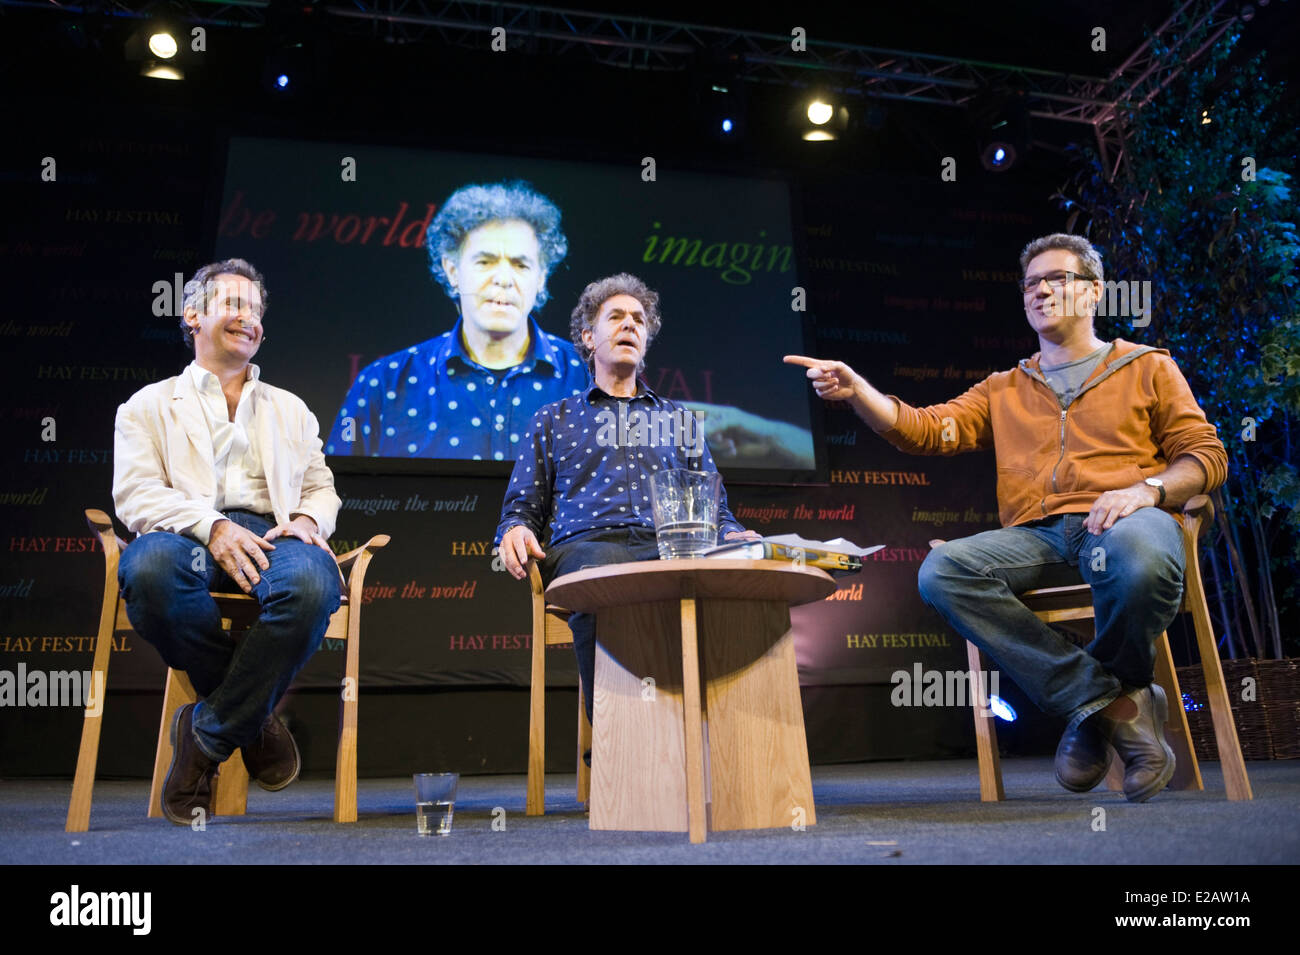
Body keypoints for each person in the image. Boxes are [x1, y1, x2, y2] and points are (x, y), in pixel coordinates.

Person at [787, 233, 1228, 803]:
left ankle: (1096, 712)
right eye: (1031, 283)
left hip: (1124, 519)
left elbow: (1206, 455)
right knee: (942, 571)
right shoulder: (1005, 388)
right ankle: (1112, 703)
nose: (1041, 290)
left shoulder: (1146, 368)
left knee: (1136, 557)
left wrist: (1147, 489)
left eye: (1057, 279)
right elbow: (925, 430)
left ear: (1093, 293)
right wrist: (857, 392)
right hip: (1038, 537)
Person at [114, 258, 343, 824]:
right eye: (234, 305)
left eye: (257, 310)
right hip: (184, 530)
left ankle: (206, 735)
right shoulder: (147, 405)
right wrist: (211, 526)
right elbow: (137, 495)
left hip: (273, 532)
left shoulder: (291, 408)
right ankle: (253, 721)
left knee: (314, 584)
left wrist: (310, 523)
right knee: (148, 574)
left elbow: (320, 488)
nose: (249, 319)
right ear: (192, 315)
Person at [495, 273, 760, 725]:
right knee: (608, 573)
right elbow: (521, 508)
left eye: (638, 319)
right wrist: (514, 529)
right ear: (587, 337)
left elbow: (714, 509)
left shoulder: (680, 420)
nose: (630, 325)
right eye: (615, 316)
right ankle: (622, 754)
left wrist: (734, 534)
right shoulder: (553, 419)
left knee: (736, 579)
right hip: (588, 549)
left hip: (670, 549)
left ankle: (713, 741)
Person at [327, 180, 589, 461]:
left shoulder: (590, 379)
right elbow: (337, 490)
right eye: (485, 262)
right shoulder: (382, 384)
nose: (503, 279)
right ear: (452, 271)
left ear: (541, 278)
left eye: (520, 264)